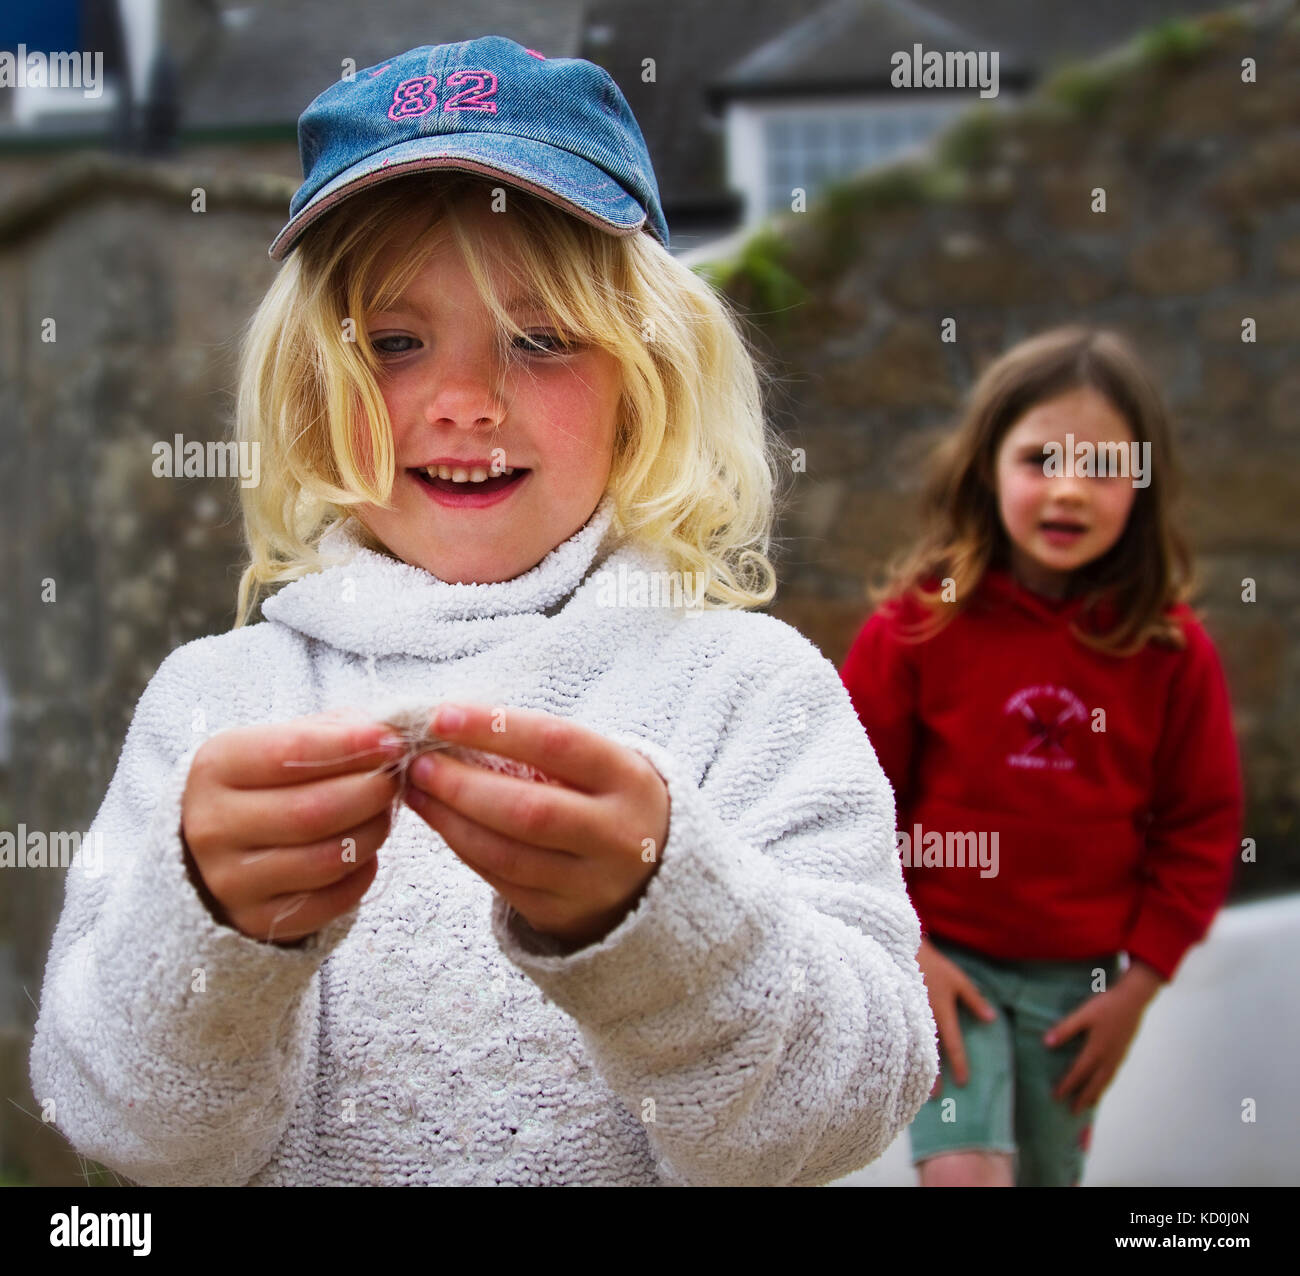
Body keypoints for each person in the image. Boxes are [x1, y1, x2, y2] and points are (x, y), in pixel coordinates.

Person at [28, 36, 937, 1187]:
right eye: (396, 344)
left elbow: (846, 1107)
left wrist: (663, 926)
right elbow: (130, 1126)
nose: (464, 400)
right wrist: (207, 924)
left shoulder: (751, 688)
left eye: (543, 338)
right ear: (310, 392)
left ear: (645, 378)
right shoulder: (215, 703)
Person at [839, 327, 1243, 1187]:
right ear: (988, 466)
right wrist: (909, 948)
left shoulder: (1171, 651)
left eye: (1101, 468)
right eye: (1040, 460)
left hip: (1082, 988)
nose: (1068, 490)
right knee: (964, 1172)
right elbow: (850, 796)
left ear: (1144, 483)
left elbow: (1201, 824)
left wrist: (1138, 989)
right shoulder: (919, 626)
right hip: (946, 962)